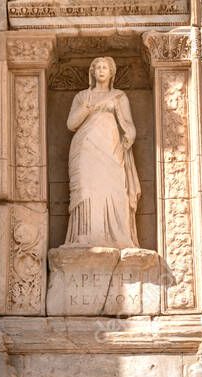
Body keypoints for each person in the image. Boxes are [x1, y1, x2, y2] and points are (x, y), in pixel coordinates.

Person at [64, 56, 141, 249]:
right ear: (92, 72)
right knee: (87, 189)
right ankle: (85, 236)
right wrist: (85, 109)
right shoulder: (82, 97)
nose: (100, 70)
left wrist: (130, 135)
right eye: (97, 67)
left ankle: (118, 236)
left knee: (114, 187)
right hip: (85, 148)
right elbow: (71, 124)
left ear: (111, 72)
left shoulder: (119, 96)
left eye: (104, 67)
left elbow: (129, 124)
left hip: (111, 147)